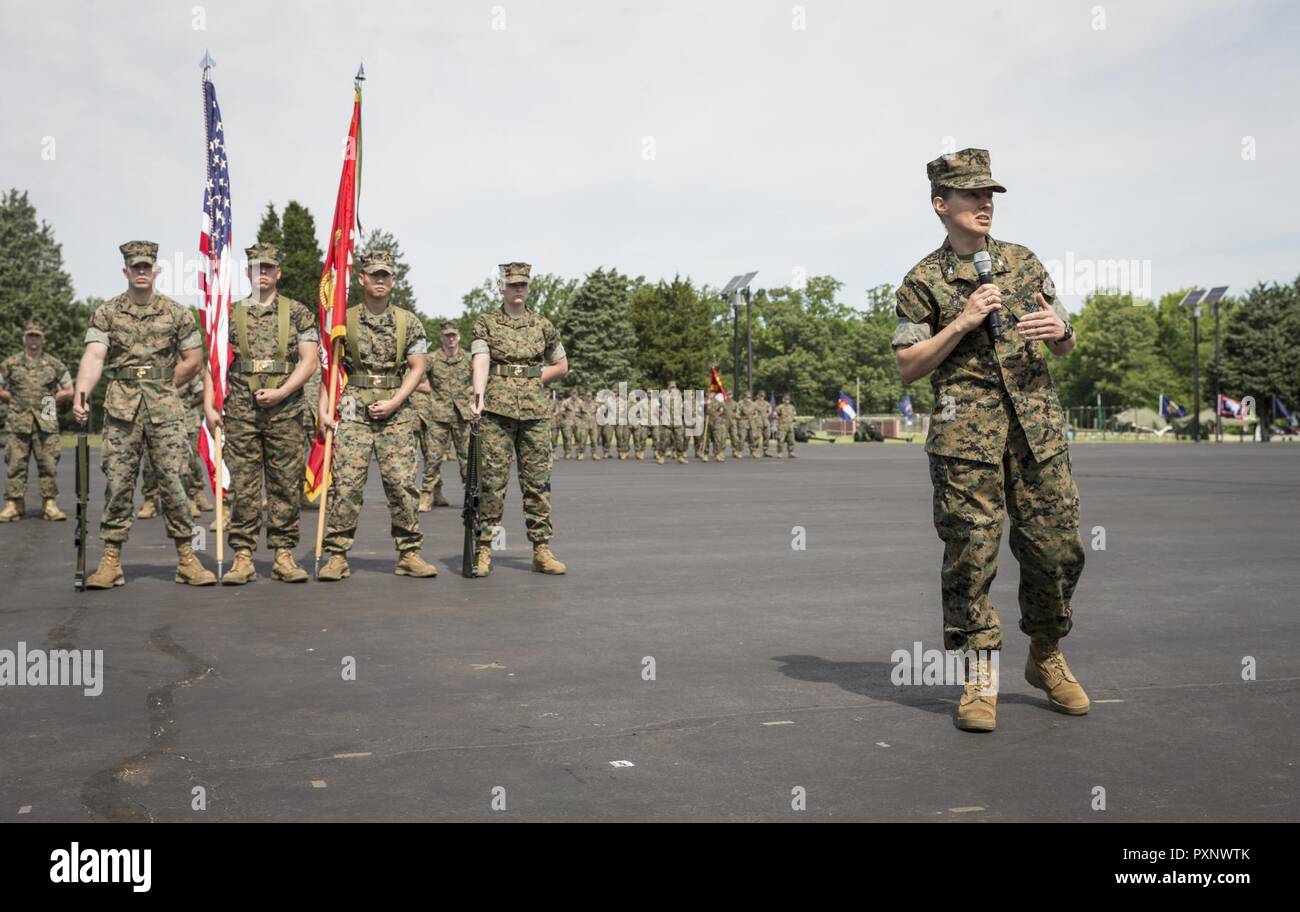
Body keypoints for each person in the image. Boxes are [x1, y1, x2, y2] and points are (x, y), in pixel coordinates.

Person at [892, 147, 1087, 733]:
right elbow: (907, 365)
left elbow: (1064, 341)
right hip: (966, 442)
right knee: (970, 557)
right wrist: (962, 321)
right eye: (973, 194)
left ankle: (1046, 654)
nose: (985, 203)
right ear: (940, 204)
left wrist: (1064, 331)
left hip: (1038, 434)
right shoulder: (921, 281)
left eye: (990, 195)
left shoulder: (1024, 264)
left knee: (1057, 549)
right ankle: (980, 673)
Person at [72, 241, 216, 588]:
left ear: (156, 271)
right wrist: (81, 394)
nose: (140, 271)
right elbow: (94, 357)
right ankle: (110, 562)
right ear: (125, 271)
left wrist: (165, 383)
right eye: (134, 267)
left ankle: (187, 558)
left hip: (165, 410)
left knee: (176, 484)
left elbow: (194, 360)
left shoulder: (177, 312)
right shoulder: (106, 313)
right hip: (121, 411)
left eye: (146, 266)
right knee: (118, 484)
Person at [317, 251, 437, 581]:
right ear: (362, 279)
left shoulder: (407, 322)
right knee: (347, 485)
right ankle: (337, 555)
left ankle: (409, 553)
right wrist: (323, 407)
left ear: (393, 280)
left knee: (401, 484)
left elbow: (418, 367)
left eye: (386, 275)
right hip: (354, 407)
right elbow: (331, 367)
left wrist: (396, 401)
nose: (380, 280)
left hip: (395, 410)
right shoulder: (344, 319)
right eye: (374, 275)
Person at [203, 242, 318, 585]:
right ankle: (243, 556)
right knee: (244, 485)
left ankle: (283, 554)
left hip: (286, 410)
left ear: (278, 272)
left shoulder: (297, 313)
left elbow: (309, 360)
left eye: (268, 267)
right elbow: (214, 363)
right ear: (247, 272)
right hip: (241, 411)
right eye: (256, 268)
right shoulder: (230, 313)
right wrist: (210, 404)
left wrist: (283, 391)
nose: (262, 273)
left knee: (285, 484)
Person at [468, 261, 568, 576]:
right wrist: (479, 395)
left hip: (535, 412)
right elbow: (481, 359)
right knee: (492, 483)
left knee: (537, 483)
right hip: (496, 412)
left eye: (523, 284)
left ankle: (541, 549)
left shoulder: (543, 325)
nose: (518, 289)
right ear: (502, 287)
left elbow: (561, 364)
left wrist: (533, 379)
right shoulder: (486, 323)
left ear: (529, 287)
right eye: (513, 285)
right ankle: (484, 548)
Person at [0, 321, 73, 522]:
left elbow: (69, 389)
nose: (34, 339)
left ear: (43, 339)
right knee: (16, 463)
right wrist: (14, 399)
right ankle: (13, 504)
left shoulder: (54, 364)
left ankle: (50, 504)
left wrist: (49, 399)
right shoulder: (10, 363)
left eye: (37, 336)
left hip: (47, 416)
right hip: (18, 419)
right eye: (30, 335)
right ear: (24, 338)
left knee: (48, 462)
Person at [420, 320, 472, 508]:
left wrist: (472, 390)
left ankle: (470, 497)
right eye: (447, 336)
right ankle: (426, 495)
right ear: (441, 337)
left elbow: (482, 378)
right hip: (439, 415)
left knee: (467, 458)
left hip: (462, 416)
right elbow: (415, 376)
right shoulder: (432, 359)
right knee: (433, 458)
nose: (451, 339)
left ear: (459, 336)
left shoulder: (468, 358)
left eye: (454, 335)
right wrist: (431, 391)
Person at [775, 393, 798, 458]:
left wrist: (794, 420)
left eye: (788, 399)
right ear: (783, 400)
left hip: (790, 426)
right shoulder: (780, 407)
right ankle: (780, 453)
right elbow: (775, 414)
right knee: (780, 440)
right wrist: (777, 418)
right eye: (786, 399)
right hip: (782, 426)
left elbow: (794, 414)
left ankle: (791, 452)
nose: (787, 401)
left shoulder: (792, 407)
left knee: (791, 440)